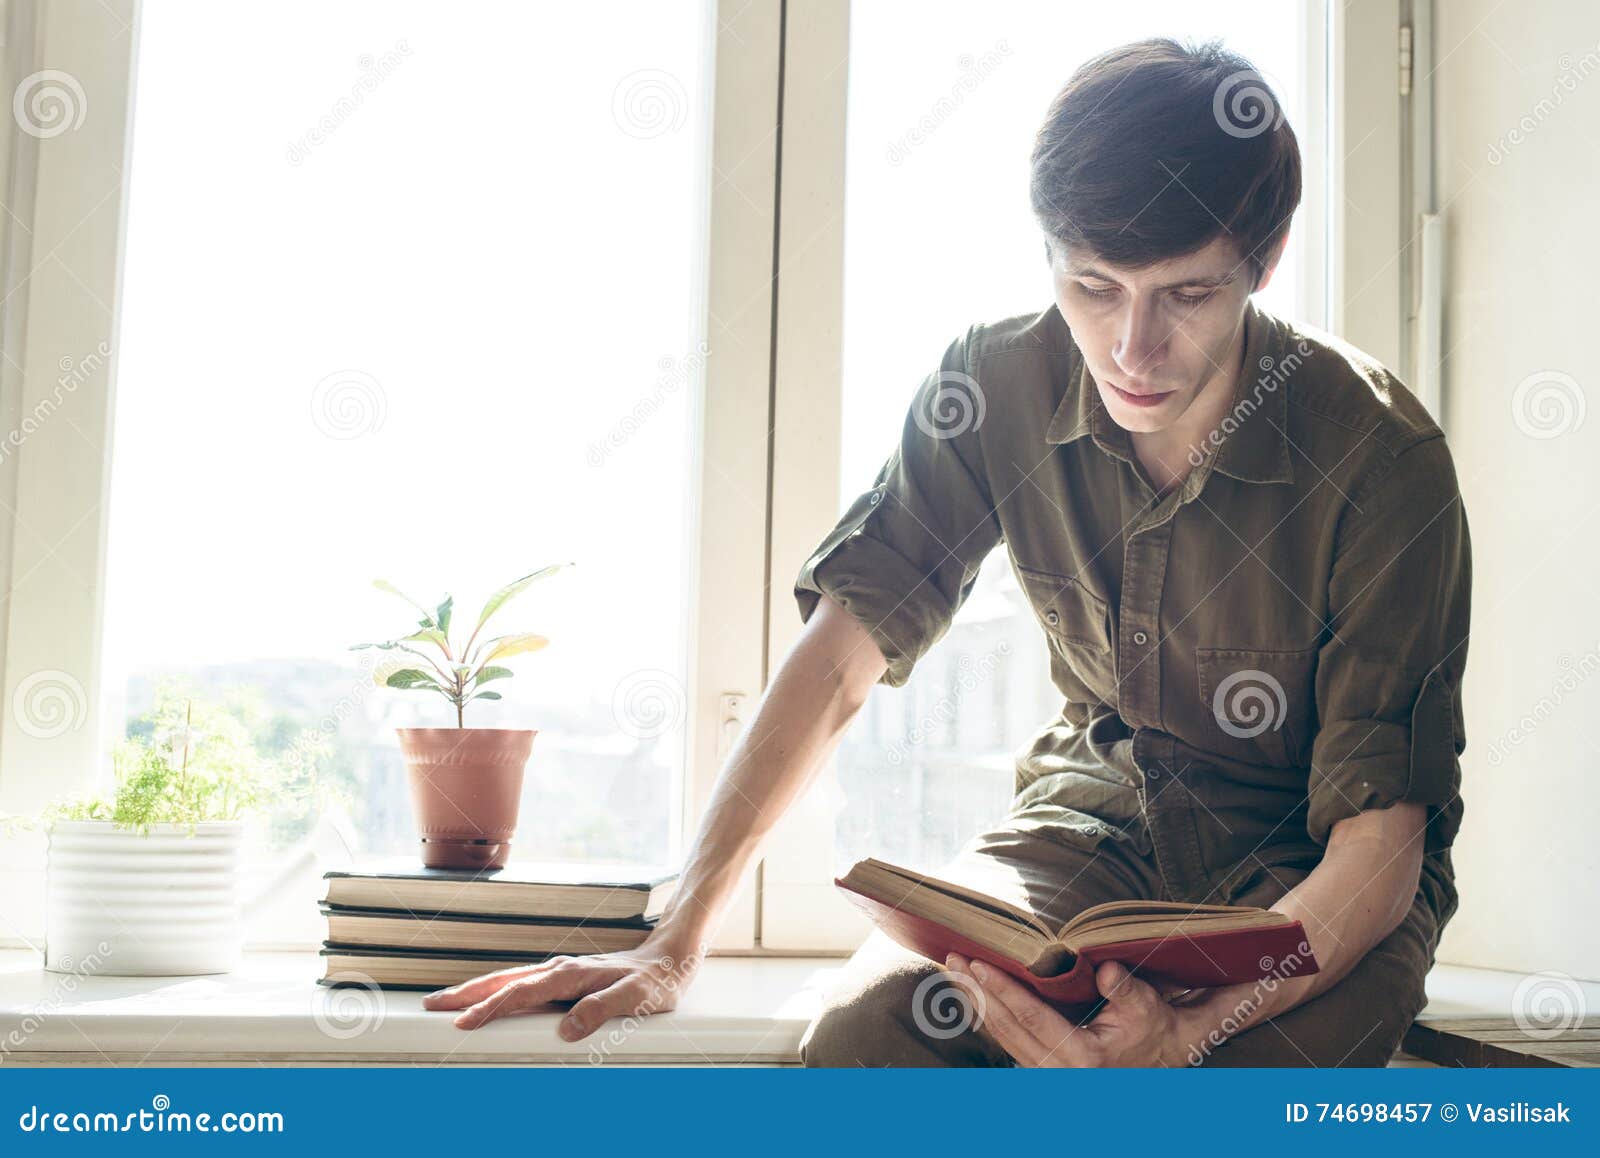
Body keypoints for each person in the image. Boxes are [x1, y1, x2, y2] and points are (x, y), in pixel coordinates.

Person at [422, 38, 1471, 1068]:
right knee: (871, 1031)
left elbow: (1378, 848)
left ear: (1262, 264)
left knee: (1212, 1102)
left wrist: (1190, 1042)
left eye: (1186, 296)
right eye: (1093, 286)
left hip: (1309, 873)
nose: (1130, 349)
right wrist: (675, 935)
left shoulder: (1381, 458)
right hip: (1091, 826)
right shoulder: (995, 383)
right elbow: (840, 658)